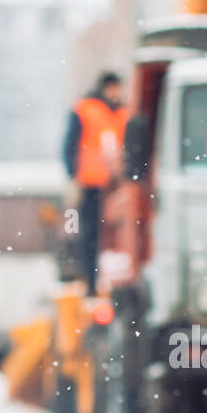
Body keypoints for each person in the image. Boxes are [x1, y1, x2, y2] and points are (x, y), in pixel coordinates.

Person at [62, 71, 129, 295]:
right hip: (90, 183)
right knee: (90, 235)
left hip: (117, 185)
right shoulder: (85, 109)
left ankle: (114, 282)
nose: (116, 93)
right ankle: (90, 281)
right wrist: (73, 175)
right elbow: (70, 144)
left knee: (117, 236)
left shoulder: (124, 112)